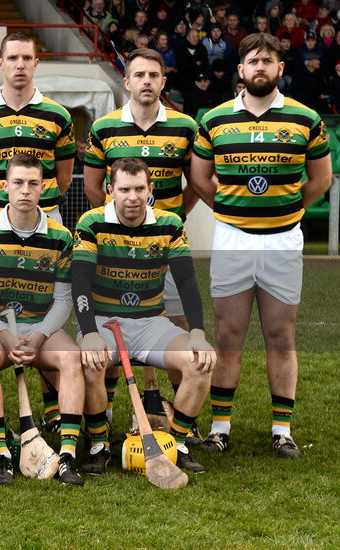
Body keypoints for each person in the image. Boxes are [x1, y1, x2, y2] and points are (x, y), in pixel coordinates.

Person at [190, 33, 332, 458]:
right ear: (241, 69)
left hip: (284, 240)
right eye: (253, 61)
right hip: (232, 239)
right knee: (228, 335)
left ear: (280, 69)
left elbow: (320, 179)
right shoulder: (214, 119)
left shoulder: (306, 119)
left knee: (280, 335)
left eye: (268, 61)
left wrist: (288, 210)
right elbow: (199, 180)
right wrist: (232, 210)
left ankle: (281, 430)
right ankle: (219, 428)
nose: (260, 68)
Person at [82, 47, 200, 437]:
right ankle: (112, 411)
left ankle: (182, 418)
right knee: (113, 321)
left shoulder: (184, 125)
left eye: (154, 75)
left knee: (175, 324)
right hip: (116, 244)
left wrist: (174, 215)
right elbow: (93, 186)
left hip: (166, 241)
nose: (147, 81)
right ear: (126, 81)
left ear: (163, 82)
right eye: (139, 75)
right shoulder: (104, 128)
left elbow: (196, 181)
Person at [74, 157, 215, 476]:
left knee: (201, 363)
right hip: (104, 322)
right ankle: (98, 445)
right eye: (124, 189)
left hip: (152, 324)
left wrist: (197, 333)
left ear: (151, 190)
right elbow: (80, 281)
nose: (132, 197)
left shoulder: (169, 223)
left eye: (139, 189)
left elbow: (187, 281)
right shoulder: (91, 222)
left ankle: (177, 444)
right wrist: (89, 332)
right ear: (110, 190)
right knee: (88, 361)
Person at [0, 153, 84, 486]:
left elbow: (64, 301)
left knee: (71, 358)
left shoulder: (61, 236)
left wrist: (37, 338)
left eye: (32, 184)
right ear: (4, 186)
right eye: (18, 183)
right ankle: (1, 455)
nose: (25, 190)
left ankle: (68, 455)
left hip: (40, 327)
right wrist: (5, 338)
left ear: (44, 187)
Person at [0, 32, 74, 222]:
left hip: (45, 214)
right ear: (1, 63)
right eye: (12, 58)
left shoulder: (59, 116)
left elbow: (64, 177)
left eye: (27, 58)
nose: (20, 65)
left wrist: (39, 203)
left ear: (36, 63)